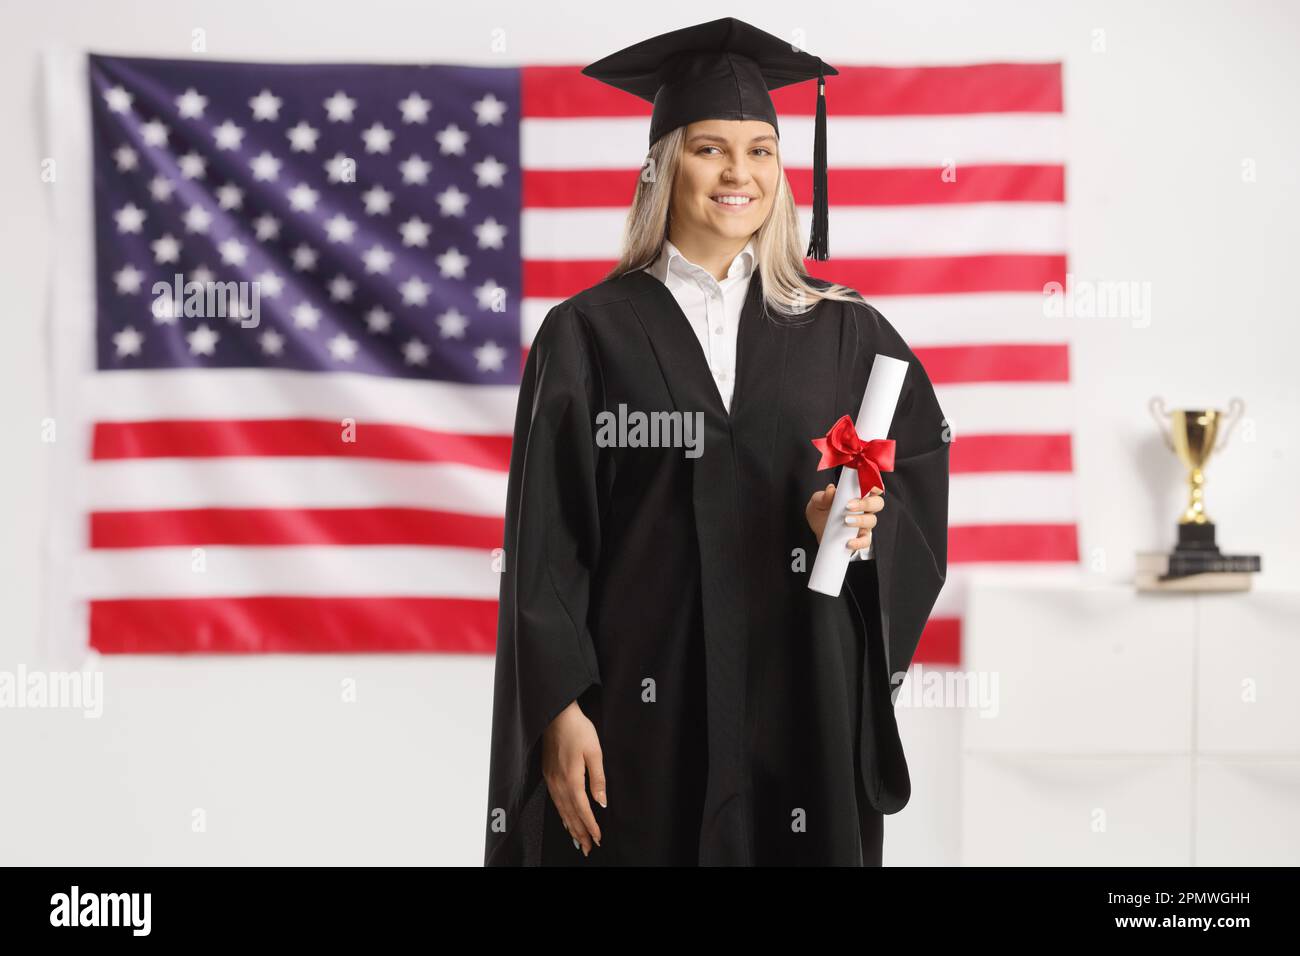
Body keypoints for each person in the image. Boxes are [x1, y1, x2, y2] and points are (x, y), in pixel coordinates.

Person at [484, 17, 949, 866]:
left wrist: (847, 529)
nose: (740, 173)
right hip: (638, 704)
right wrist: (558, 709)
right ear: (663, 166)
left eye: (762, 150)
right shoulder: (588, 334)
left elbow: (910, 476)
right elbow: (545, 539)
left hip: (799, 696)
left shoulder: (845, 333)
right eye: (710, 148)